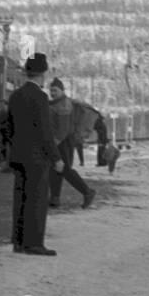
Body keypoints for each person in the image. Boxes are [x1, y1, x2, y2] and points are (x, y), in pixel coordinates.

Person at [5, 53, 62, 255]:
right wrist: (56, 157)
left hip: (18, 155)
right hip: (37, 158)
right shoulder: (39, 97)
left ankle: (19, 242)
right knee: (37, 200)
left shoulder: (16, 96)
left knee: (20, 198)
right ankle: (34, 243)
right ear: (43, 74)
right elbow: (45, 131)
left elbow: (8, 128)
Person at [47, 79, 95, 210]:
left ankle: (87, 192)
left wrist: (54, 144)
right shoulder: (56, 103)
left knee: (64, 169)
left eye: (55, 90)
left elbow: (64, 129)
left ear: (62, 90)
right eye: (51, 90)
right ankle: (55, 198)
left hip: (63, 141)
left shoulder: (63, 105)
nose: (52, 93)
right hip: (62, 140)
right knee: (55, 168)